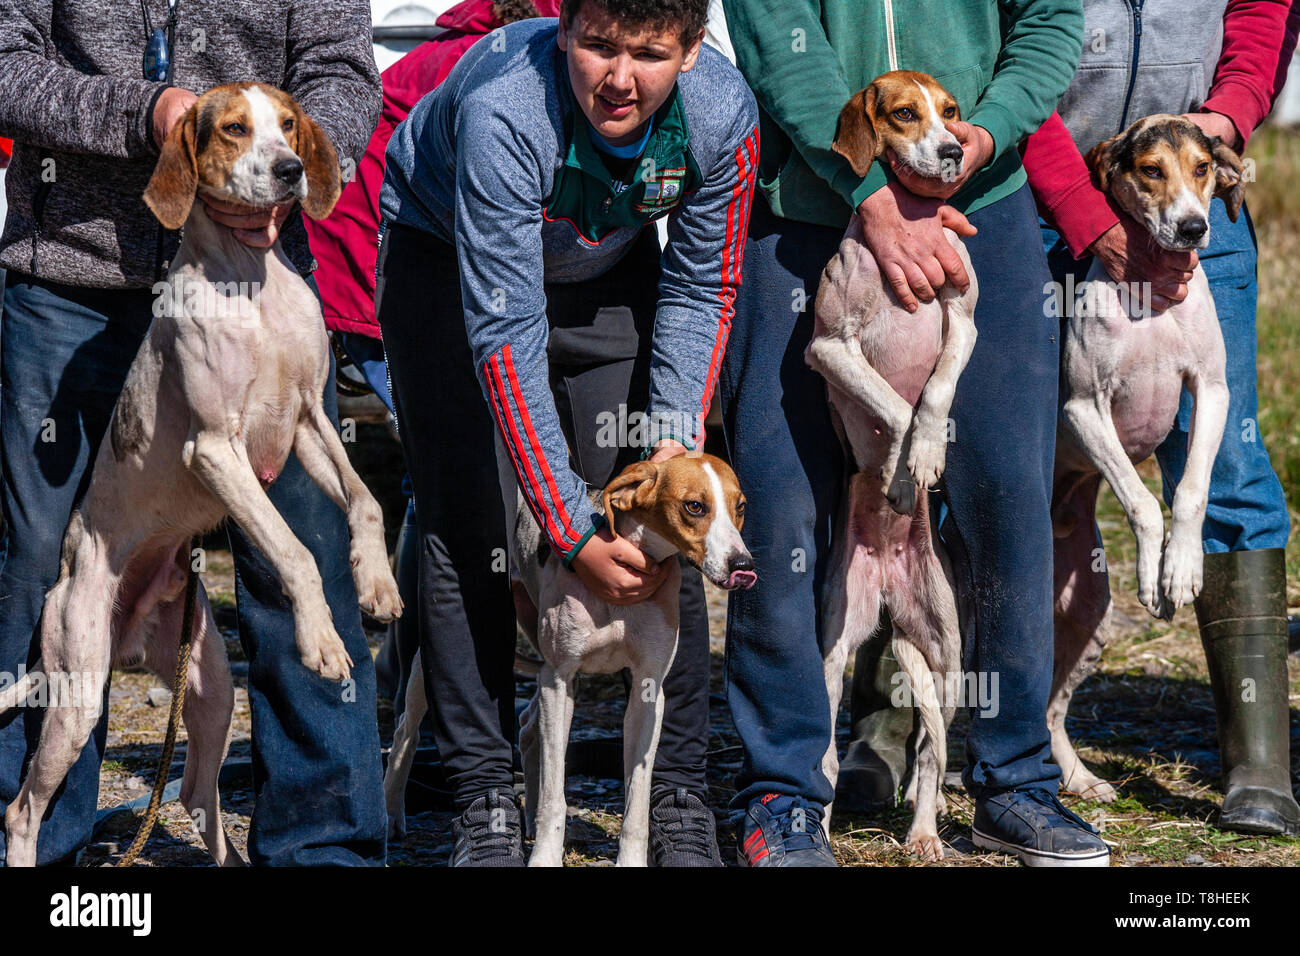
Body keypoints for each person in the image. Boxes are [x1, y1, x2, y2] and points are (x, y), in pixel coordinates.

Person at [719, 0, 1113, 866]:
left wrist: (986, 134)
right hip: (810, 200)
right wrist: (869, 189)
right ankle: (781, 792)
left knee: (1008, 495)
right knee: (781, 510)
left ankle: (1015, 784)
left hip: (984, 198)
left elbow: (1049, 23)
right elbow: (774, 32)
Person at [0, 0, 385, 866]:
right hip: (72, 275)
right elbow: (4, 60)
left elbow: (343, 74)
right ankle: (42, 851)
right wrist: (147, 115)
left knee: (309, 563)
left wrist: (292, 171)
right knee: (40, 571)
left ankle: (325, 853)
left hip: (257, 264)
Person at [377, 0, 758, 865]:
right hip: (445, 251)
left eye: (650, 55)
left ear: (694, 51)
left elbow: (704, 291)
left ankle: (676, 793)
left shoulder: (724, 116)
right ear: (563, 32)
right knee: (465, 511)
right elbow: (505, 338)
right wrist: (567, 527)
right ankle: (482, 795)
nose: (619, 79)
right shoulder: (506, 108)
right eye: (597, 47)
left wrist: (670, 443)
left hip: (607, 260)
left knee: (671, 511)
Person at [1023, 0, 1300, 837]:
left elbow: (1263, 13)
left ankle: (1257, 760)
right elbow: (1000, 53)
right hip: (1041, 205)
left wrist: (1230, 116)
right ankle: (902, 725)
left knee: (1235, 478)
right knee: (993, 473)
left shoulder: (1208, 182)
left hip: (1198, 204)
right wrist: (1082, 204)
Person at [304, 0, 562, 729]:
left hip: (377, 268)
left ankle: (409, 670)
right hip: (381, 278)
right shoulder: (500, 69)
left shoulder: (463, 53)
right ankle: (425, 685)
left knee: (439, 479)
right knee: (453, 480)